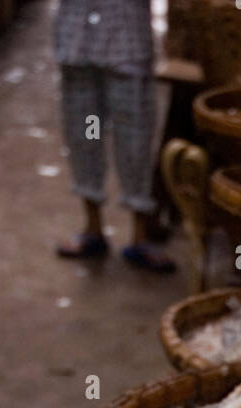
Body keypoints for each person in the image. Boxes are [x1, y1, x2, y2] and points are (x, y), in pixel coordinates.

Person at [53, 0, 175, 271]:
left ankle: (140, 235)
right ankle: (93, 227)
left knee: (135, 140)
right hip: (77, 42)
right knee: (85, 135)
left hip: (126, 43)